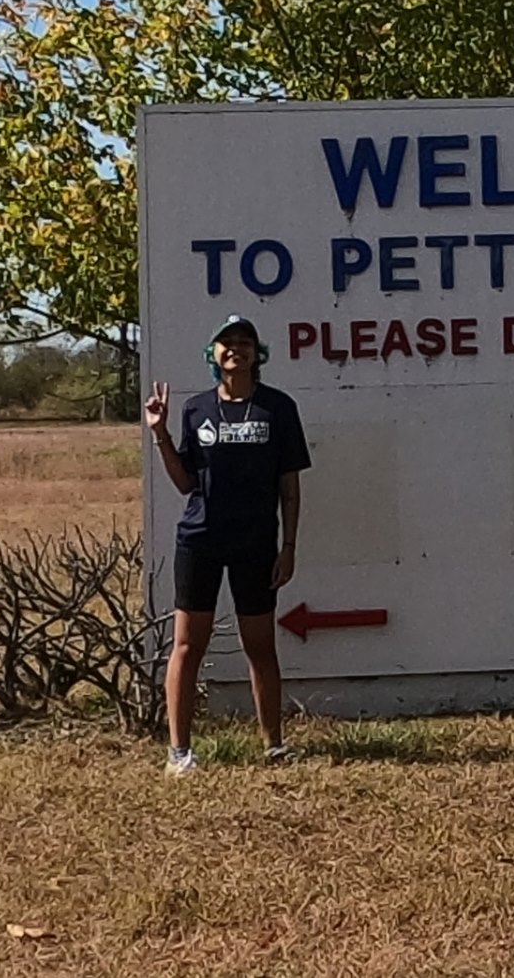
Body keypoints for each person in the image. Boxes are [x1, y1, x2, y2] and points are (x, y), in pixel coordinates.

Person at [144, 314, 311, 776]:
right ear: (213, 356)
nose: (235, 348)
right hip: (200, 540)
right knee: (186, 645)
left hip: (256, 544)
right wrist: (159, 433)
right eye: (225, 343)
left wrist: (289, 545)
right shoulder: (196, 409)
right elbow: (184, 484)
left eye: (244, 342)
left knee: (259, 645)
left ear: (258, 354)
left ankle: (274, 746)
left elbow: (290, 488)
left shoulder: (278, 408)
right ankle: (179, 753)